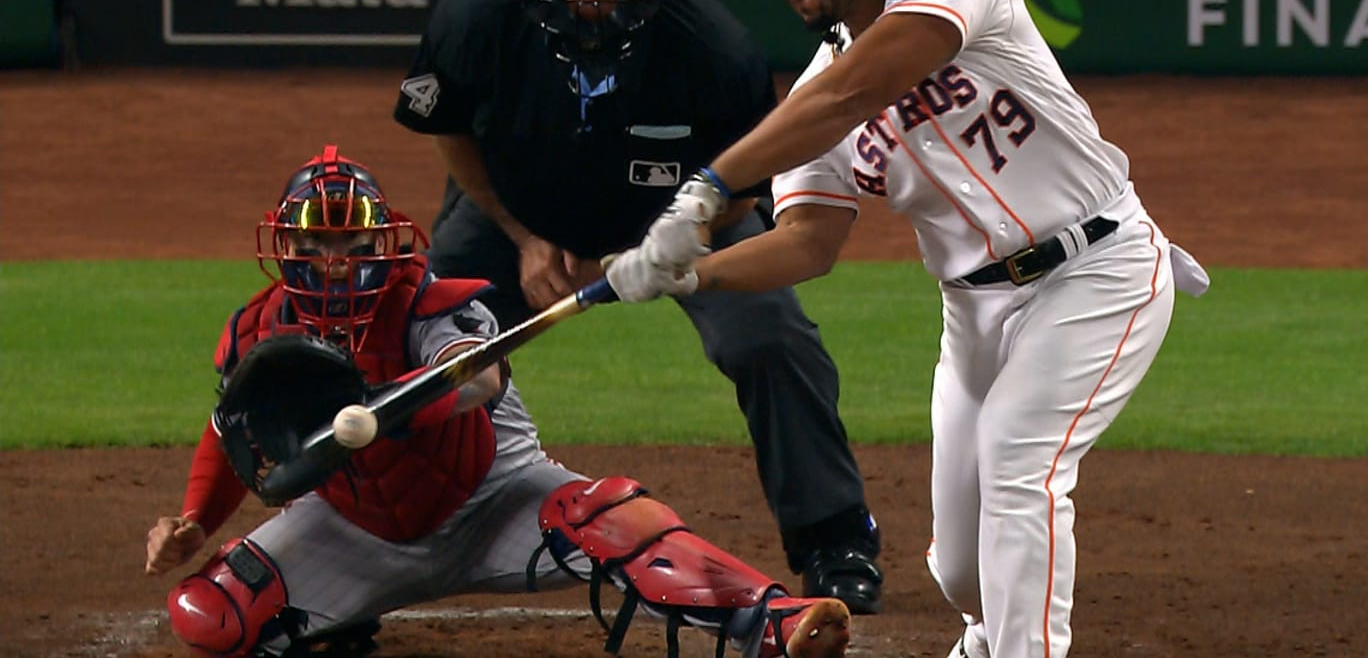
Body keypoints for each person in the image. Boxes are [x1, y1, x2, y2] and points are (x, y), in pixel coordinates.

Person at [605, 0, 1211, 658]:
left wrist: (712, 186)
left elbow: (860, 90)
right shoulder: (815, 101)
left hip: (1096, 268)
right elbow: (808, 245)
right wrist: (694, 273)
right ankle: (989, 638)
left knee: (1018, 462)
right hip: (974, 314)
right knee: (965, 572)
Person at [142, 146, 853, 658]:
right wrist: (196, 520)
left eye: (351, 240)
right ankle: (334, 620)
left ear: (380, 241)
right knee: (209, 615)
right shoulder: (259, 333)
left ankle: (772, 619)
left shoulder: (425, 301)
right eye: (319, 243)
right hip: (353, 534)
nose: (336, 260)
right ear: (289, 247)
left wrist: (382, 404)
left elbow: (476, 379)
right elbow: (234, 430)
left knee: (611, 517)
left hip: (494, 501)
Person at [391, 0, 884, 613]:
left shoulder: (711, 42)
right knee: (421, 338)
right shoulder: (477, 16)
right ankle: (378, 532)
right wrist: (525, 238)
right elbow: (452, 131)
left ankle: (836, 542)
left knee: (770, 338)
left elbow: (746, 184)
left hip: (682, 212)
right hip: (513, 207)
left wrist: (665, 254)